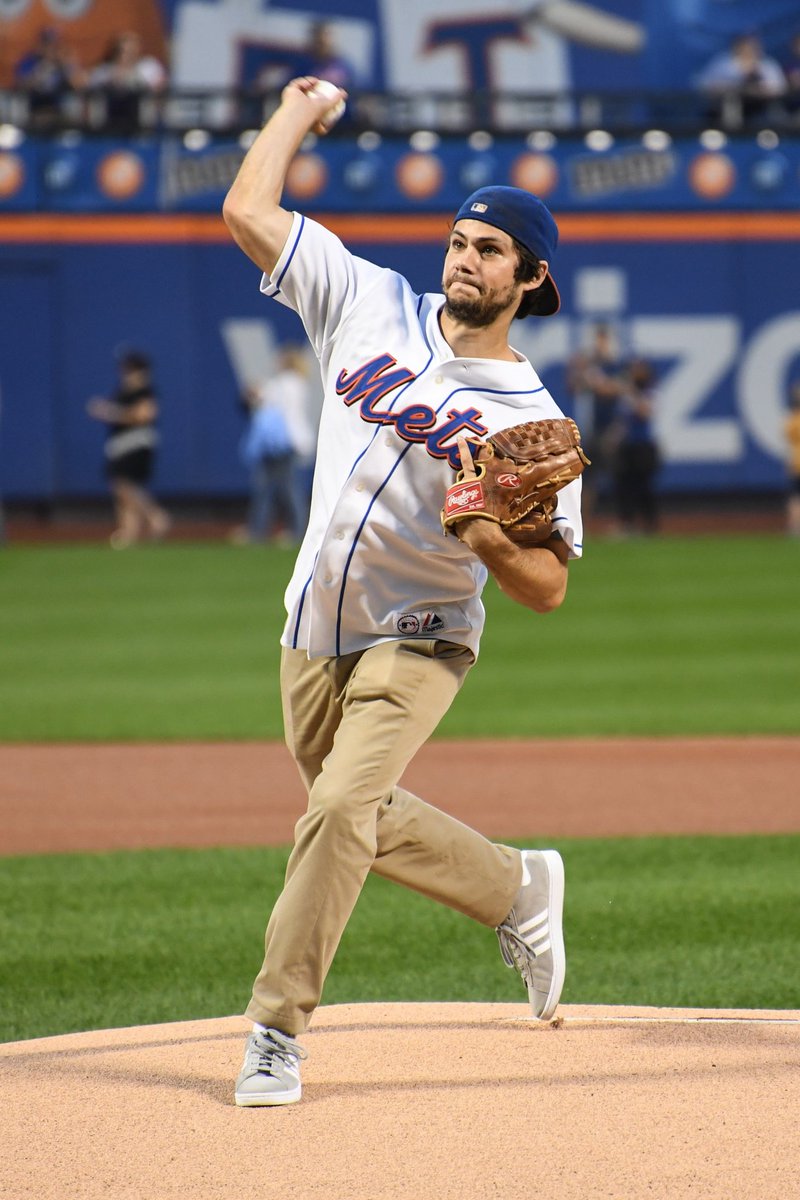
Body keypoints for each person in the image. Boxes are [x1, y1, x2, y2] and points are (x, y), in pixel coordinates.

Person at [222, 75, 584, 1108]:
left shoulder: (532, 418)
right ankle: (517, 887)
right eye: (460, 241)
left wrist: (482, 533)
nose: (464, 259)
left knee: (336, 809)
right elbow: (247, 212)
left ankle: (274, 1032)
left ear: (528, 278)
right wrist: (296, 111)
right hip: (310, 623)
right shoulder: (367, 298)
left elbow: (548, 587)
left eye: (489, 251)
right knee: (356, 811)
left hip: (419, 633)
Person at [232, 345, 317, 545]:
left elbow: (258, 396)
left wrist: (254, 391)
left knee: (279, 488)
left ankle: (284, 532)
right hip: (290, 442)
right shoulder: (298, 383)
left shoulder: (285, 383)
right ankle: (271, 530)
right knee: (279, 488)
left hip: (282, 443)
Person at [86, 349, 170, 549]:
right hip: (121, 445)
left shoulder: (144, 390)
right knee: (121, 488)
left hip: (136, 443)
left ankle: (156, 517)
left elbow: (144, 415)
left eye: (128, 369)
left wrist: (110, 413)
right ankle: (129, 533)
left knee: (123, 485)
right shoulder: (124, 391)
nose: (124, 373)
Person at [565, 323, 625, 514]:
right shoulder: (590, 367)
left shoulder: (614, 366)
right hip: (589, 429)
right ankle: (585, 522)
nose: (600, 345)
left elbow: (612, 390)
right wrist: (579, 370)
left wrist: (591, 377)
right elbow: (572, 387)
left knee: (617, 475)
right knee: (586, 477)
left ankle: (622, 520)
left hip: (609, 429)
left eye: (603, 341)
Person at [608, 358, 660, 537]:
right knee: (624, 486)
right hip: (627, 446)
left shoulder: (650, 392)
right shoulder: (626, 396)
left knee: (644, 487)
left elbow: (645, 412)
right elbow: (622, 421)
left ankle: (649, 524)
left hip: (643, 445)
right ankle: (627, 524)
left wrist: (630, 392)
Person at [695, 33, 787, 124]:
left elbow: (779, 87)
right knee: (731, 100)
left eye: (751, 47)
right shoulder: (723, 64)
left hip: (761, 105)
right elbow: (704, 83)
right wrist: (737, 88)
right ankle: (732, 128)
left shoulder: (767, 65)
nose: (747, 50)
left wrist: (757, 90)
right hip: (726, 105)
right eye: (744, 47)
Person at [783, 379, 800, 537]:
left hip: (795, 462)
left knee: (795, 497)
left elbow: (788, 441)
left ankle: (795, 528)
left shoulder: (791, 421)